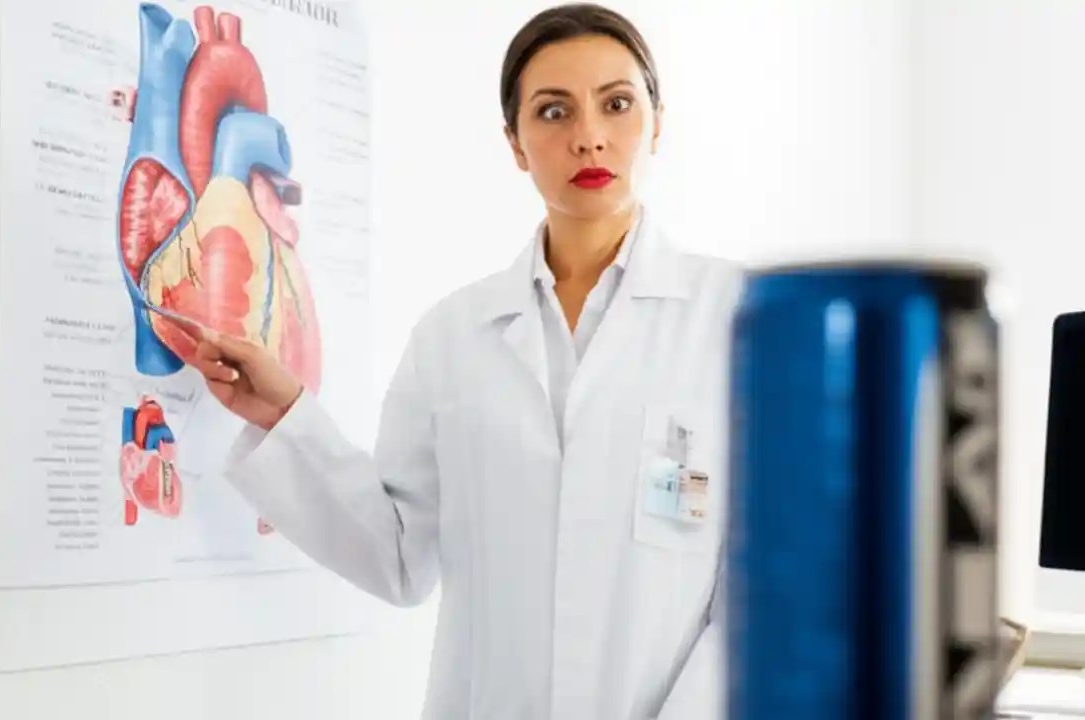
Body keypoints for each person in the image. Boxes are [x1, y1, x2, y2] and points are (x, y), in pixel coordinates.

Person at [191, 3, 743, 718]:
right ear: (515, 142)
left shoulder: (739, 319)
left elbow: (764, 587)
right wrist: (284, 416)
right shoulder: (454, 338)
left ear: (657, 123)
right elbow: (397, 556)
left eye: (617, 104)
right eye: (553, 112)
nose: (589, 138)